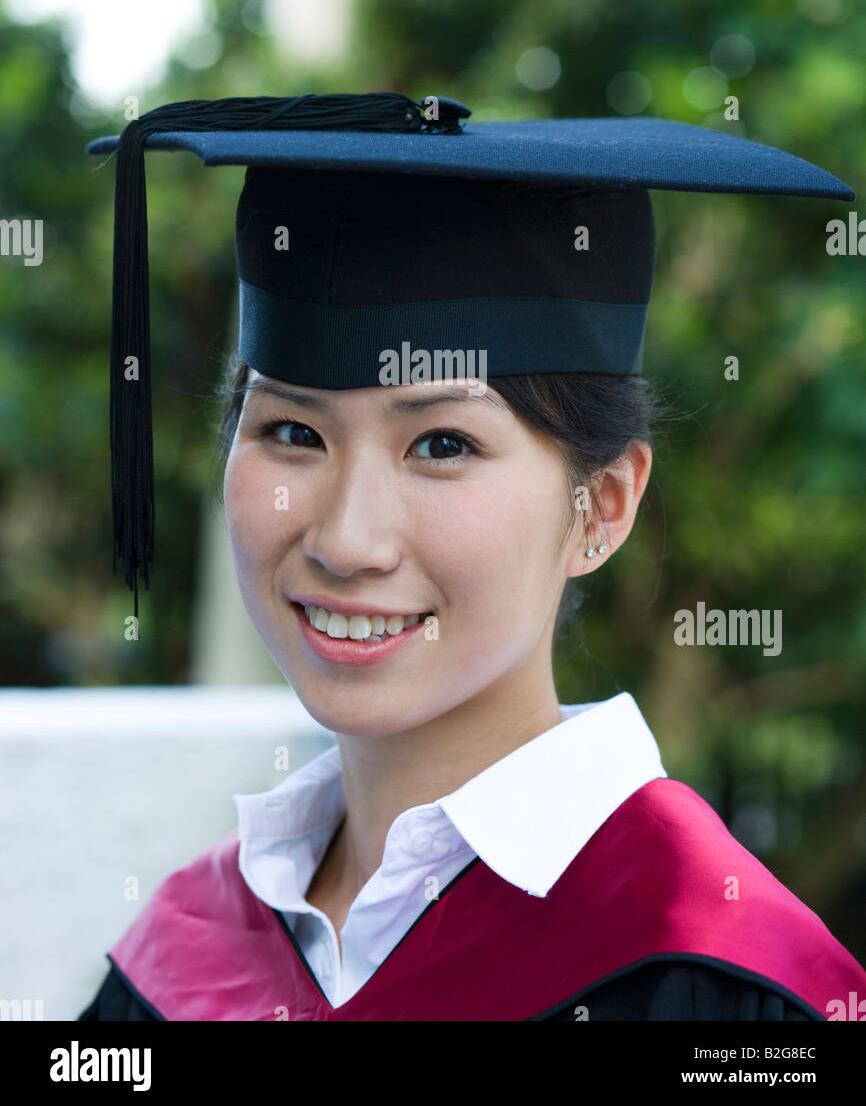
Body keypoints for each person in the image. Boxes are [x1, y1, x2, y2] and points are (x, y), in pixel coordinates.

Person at [78, 92, 865, 1021]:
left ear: (601, 507)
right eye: (293, 430)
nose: (346, 540)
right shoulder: (180, 956)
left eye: (443, 445)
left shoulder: (717, 983)